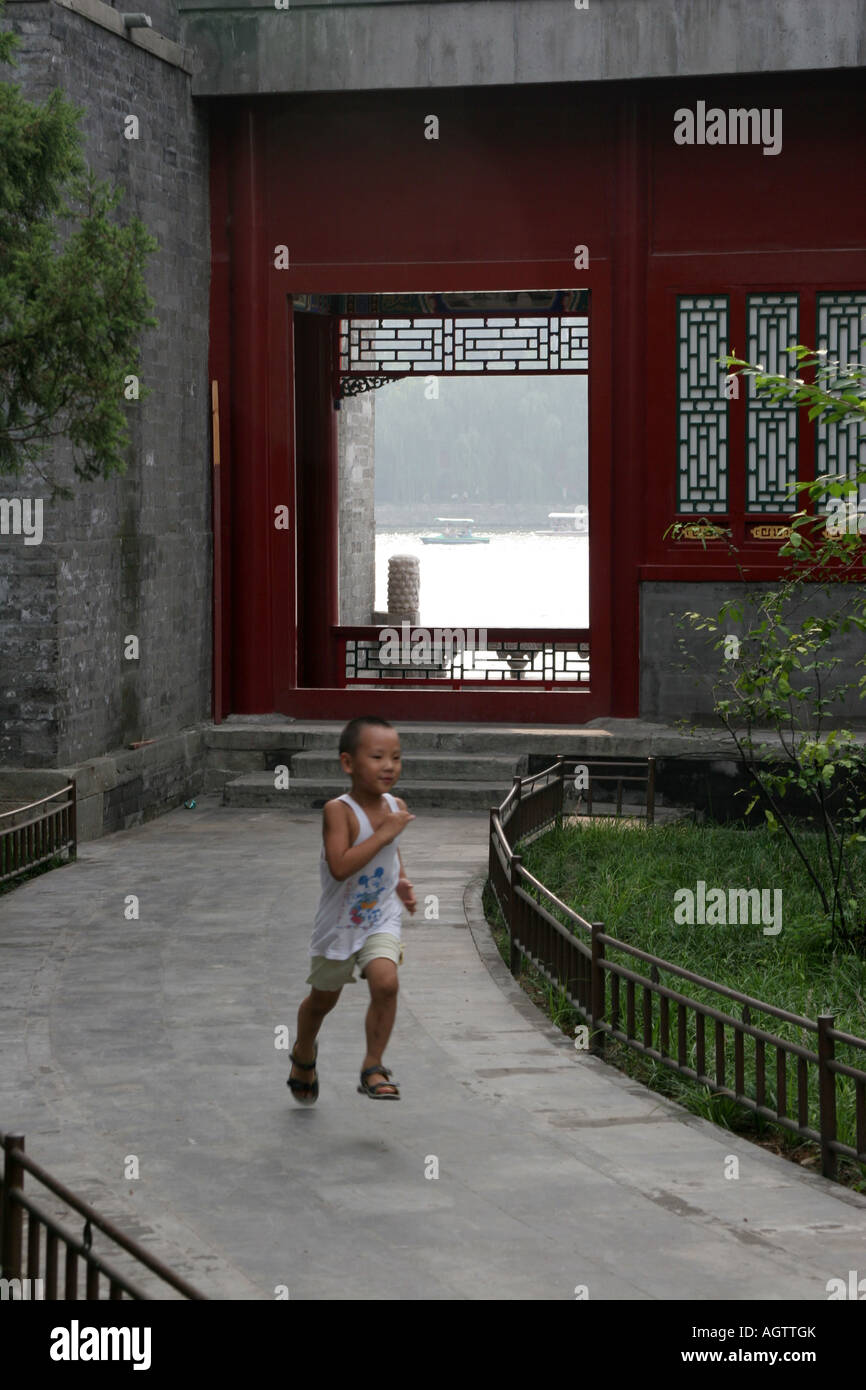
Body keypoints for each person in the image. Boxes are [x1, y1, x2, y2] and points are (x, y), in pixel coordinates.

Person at [288, 716, 417, 1103]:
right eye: (377, 756)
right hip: (339, 925)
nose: (389, 766)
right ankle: (303, 1053)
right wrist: (384, 834)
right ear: (348, 763)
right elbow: (340, 865)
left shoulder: (396, 806)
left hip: (380, 915)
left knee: (386, 982)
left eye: (396, 757)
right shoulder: (338, 811)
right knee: (322, 1001)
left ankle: (372, 1065)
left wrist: (402, 882)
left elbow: (391, 853)